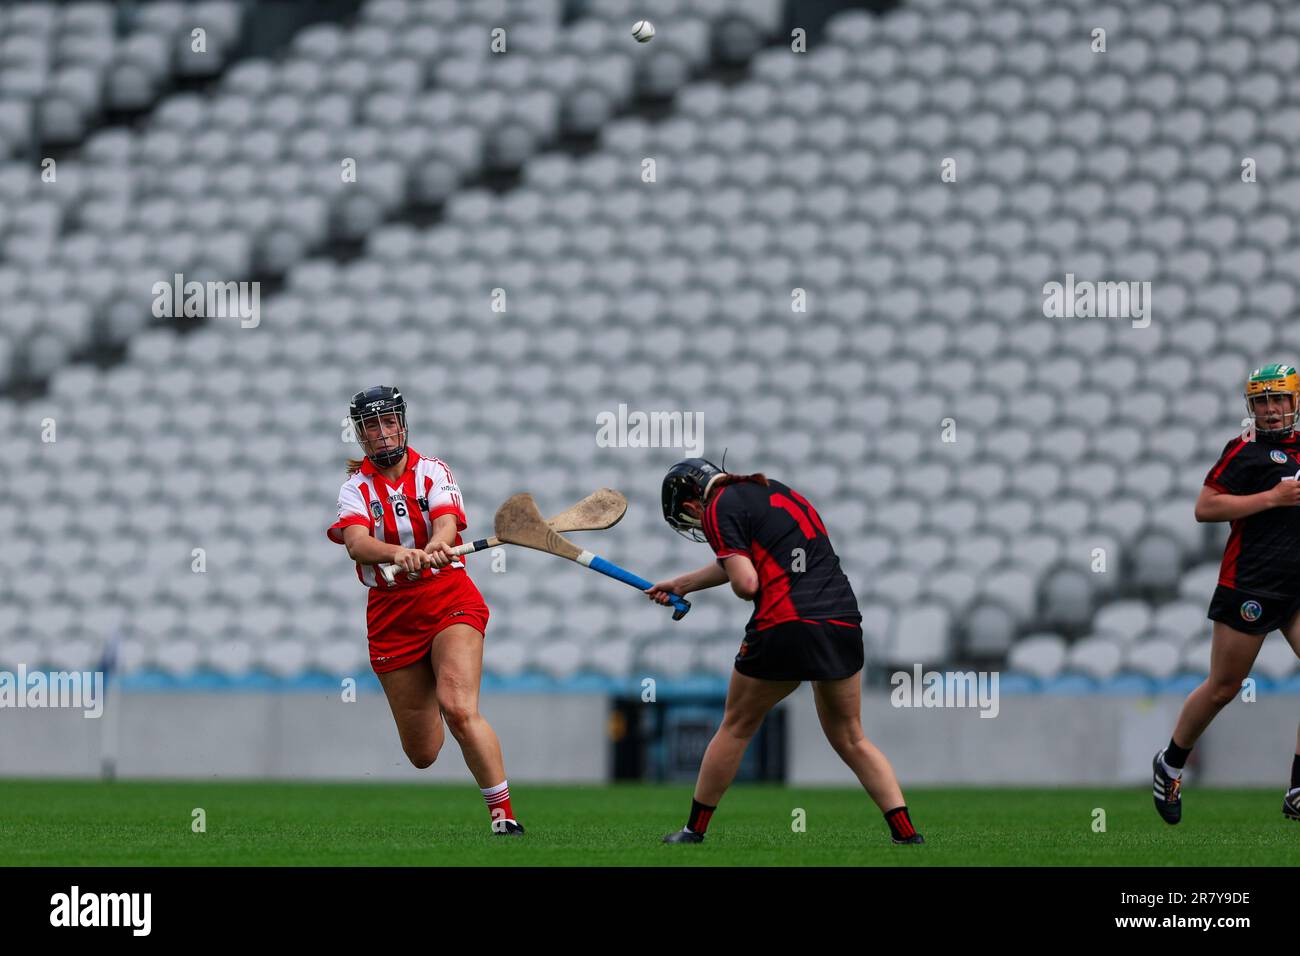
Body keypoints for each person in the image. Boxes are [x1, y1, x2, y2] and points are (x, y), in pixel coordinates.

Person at [647, 457, 923, 845]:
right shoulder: (771, 488)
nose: (696, 523)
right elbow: (758, 558)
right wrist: (683, 584)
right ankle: (906, 833)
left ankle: (694, 830)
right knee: (851, 737)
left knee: (737, 726)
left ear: (694, 504)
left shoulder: (717, 508)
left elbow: (745, 582)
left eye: (689, 517)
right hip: (841, 620)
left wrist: (750, 584)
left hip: (785, 625)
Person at [327, 385, 523, 835]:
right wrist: (399, 554)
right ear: (360, 434)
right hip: (392, 616)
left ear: (402, 422)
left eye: (388, 421)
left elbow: (447, 524)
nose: (381, 432)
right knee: (423, 753)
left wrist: (436, 546)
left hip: (448, 597)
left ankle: (504, 816)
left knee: (458, 707)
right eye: (371, 425)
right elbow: (357, 545)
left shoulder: (432, 471)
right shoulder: (354, 488)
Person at [1153, 364, 1300, 824]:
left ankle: (1298, 785)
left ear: (1295, 403)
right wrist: (1270, 499)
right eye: (1262, 401)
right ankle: (1170, 762)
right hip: (1249, 584)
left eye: (1279, 400)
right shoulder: (1244, 452)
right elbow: (1205, 507)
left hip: (1297, 586)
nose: (1271, 410)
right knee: (1223, 688)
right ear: (1251, 407)